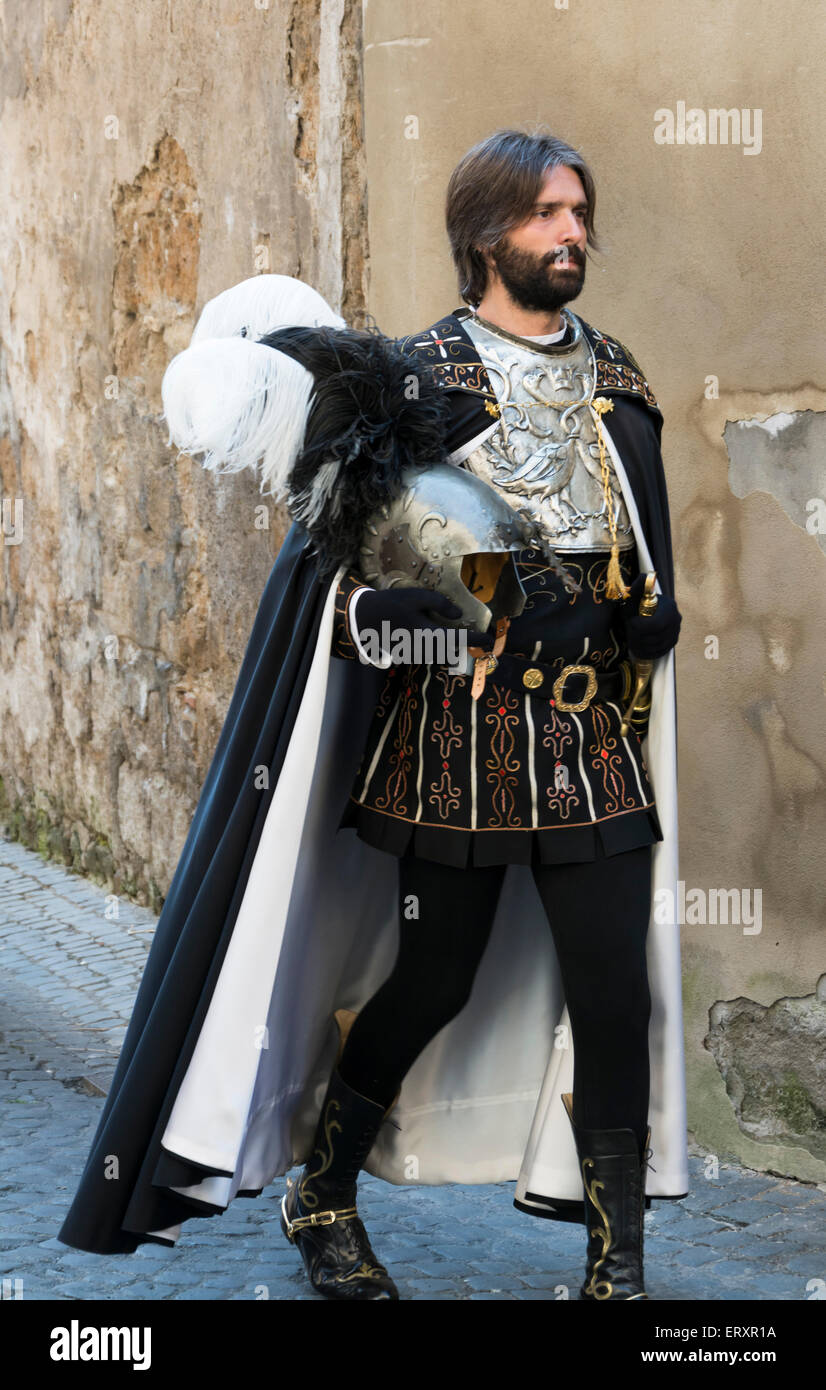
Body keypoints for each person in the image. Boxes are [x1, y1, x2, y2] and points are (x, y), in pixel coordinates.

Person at [58, 129, 688, 1304]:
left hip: (594, 743)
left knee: (613, 991)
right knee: (431, 981)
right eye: (548, 215)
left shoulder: (619, 379)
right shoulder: (412, 381)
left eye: (578, 214)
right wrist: (445, 618)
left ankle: (619, 1272)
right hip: (454, 746)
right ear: (484, 233)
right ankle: (323, 1189)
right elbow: (344, 604)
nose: (573, 235)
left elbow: (644, 556)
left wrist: (647, 617)